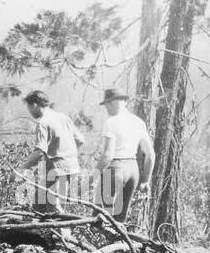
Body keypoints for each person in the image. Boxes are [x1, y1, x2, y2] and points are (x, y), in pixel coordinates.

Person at [18, 90, 84, 214]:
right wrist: (66, 154)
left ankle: (65, 232)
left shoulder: (43, 123)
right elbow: (80, 140)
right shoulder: (64, 118)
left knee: (54, 207)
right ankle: (34, 231)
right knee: (39, 204)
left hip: (57, 170)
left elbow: (40, 152)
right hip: (71, 167)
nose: (30, 111)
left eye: (29, 107)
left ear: (35, 105)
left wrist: (21, 169)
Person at [96, 88, 155, 223]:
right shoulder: (138, 122)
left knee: (99, 216)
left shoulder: (111, 122)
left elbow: (107, 155)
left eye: (106, 105)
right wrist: (146, 180)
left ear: (111, 103)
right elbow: (150, 154)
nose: (106, 109)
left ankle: (97, 243)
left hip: (116, 168)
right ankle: (119, 242)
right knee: (119, 220)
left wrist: (93, 176)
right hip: (133, 170)